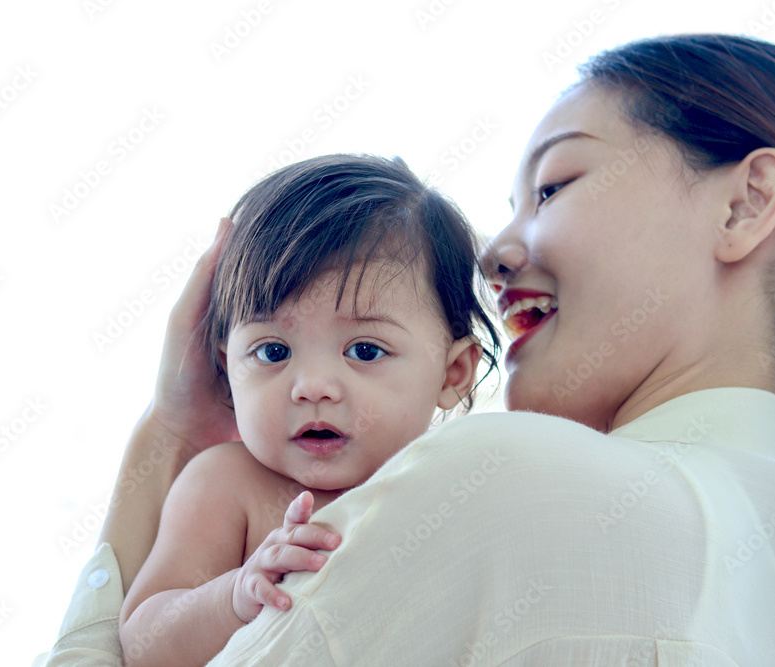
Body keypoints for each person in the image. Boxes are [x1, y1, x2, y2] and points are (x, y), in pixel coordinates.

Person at [36, 33, 775, 667]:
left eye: (554, 186)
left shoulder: (508, 476)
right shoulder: (772, 593)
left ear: (746, 203)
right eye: (272, 348)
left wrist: (169, 431)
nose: (495, 251)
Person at [115, 154, 497, 665]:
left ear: (452, 374)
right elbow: (145, 642)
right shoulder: (228, 485)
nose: (312, 387)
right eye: (273, 351)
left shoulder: (464, 482)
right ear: (225, 364)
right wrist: (234, 595)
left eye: (365, 350)